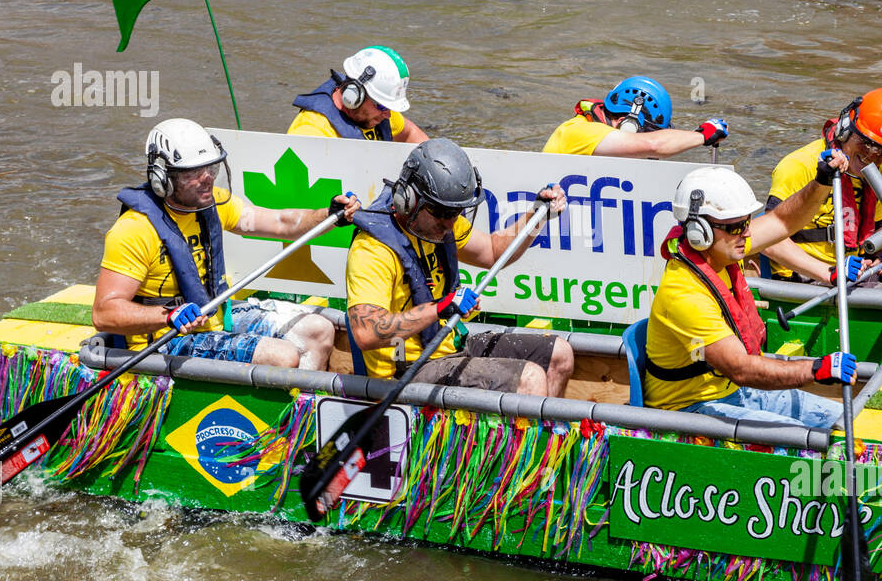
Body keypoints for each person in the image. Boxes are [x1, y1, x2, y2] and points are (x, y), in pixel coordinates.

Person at [94, 119, 360, 369]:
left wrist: (328, 215)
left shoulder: (216, 203)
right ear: (161, 178)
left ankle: (301, 410)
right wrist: (166, 316)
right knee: (283, 355)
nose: (207, 178)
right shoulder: (133, 230)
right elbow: (104, 313)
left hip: (217, 318)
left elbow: (281, 222)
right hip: (166, 340)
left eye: (211, 168)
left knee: (318, 330)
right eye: (194, 173)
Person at [345, 138, 574, 395]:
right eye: (442, 213)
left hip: (450, 345)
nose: (449, 223)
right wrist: (440, 308)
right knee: (529, 379)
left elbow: (493, 251)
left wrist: (536, 215)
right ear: (408, 200)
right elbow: (365, 333)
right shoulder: (372, 249)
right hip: (406, 370)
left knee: (560, 354)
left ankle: (548, 432)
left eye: (456, 213)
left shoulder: (443, 220)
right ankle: (520, 433)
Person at [643, 162, 858, 430]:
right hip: (688, 408)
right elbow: (742, 369)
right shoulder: (683, 293)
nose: (746, 232)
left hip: (733, 391)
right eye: (736, 226)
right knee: (799, 436)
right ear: (700, 232)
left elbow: (783, 220)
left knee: (846, 420)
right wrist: (815, 369)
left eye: (747, 222)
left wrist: (822, 181)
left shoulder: (725, 246)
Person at [758, 88, 882, 291]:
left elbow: (881, 231)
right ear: (846, 129)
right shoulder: (798, 165)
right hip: (809, 275)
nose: (872, 157)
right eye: (867, 144)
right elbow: (767, 242)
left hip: (857, 266)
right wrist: (829, 272)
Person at [543, 75, 728, 159]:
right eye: (646, 132)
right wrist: (703, 135)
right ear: (629, 124)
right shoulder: (581, 131)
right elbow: (653, 145)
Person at [287, 46, 428, 143]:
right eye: (383, 106)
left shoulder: (379, 113)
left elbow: (410, 135)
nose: (389, 115)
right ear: (354, 96)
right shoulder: (310, 132)